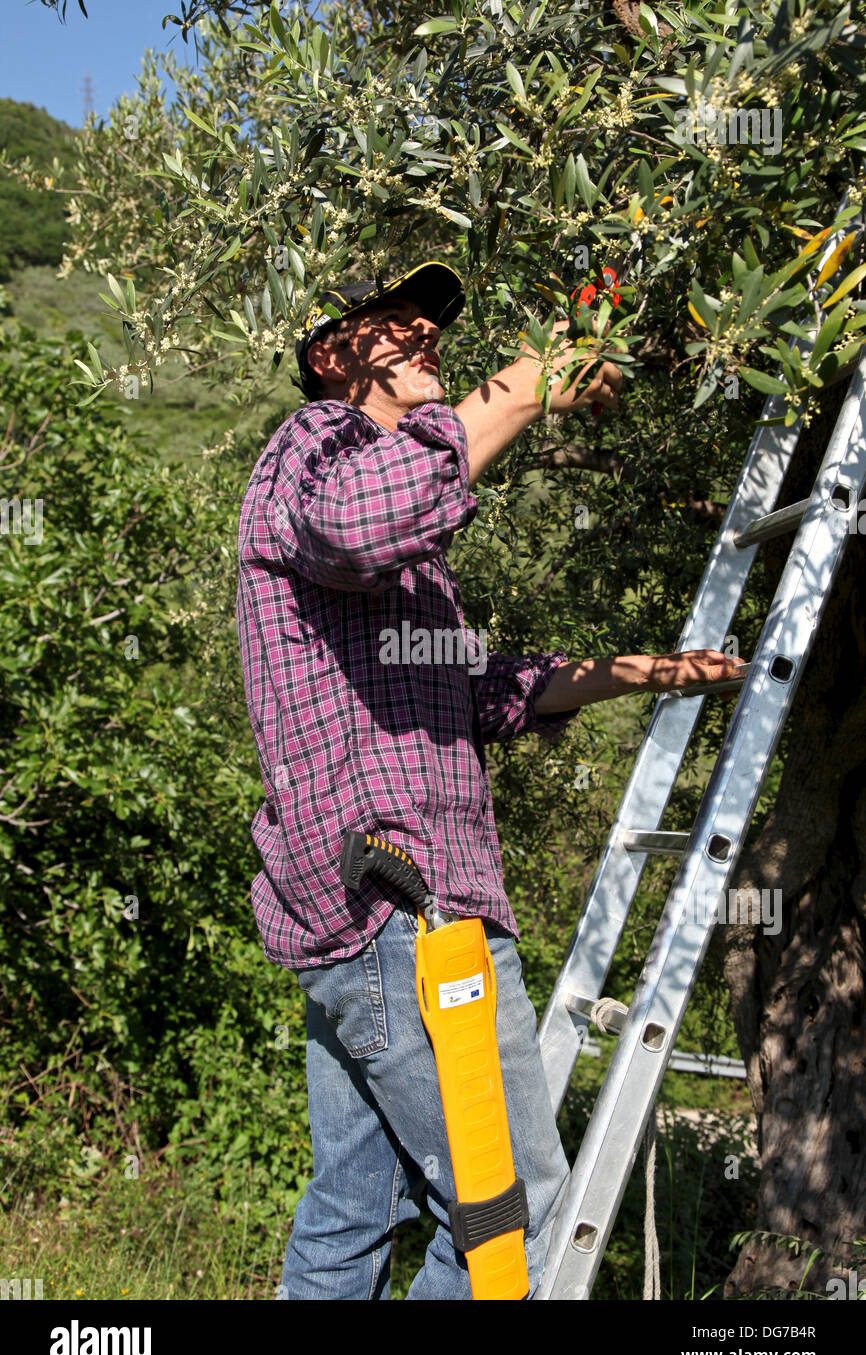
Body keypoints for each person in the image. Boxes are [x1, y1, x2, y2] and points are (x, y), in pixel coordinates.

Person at [236, 260, 742, 1300]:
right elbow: (363, 518)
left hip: (366, 921)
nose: (426, 332)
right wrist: (526, 380)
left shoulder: (391, 555)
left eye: (432, 321)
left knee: (350, 1212)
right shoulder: (315, 449)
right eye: (395, 321)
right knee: (514, 1214)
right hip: (404, 912)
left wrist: (639, 673)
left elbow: (473, 688)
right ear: (332, 355)